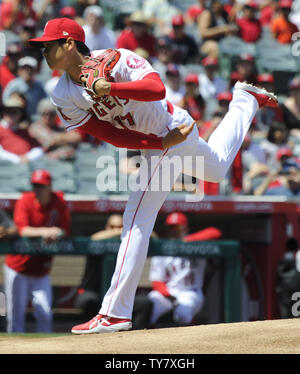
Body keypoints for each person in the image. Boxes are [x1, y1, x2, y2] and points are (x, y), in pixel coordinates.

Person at [28, 17, 277, 334]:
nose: (43, 51)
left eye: (48, 45)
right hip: (162, 140)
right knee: (216, 166)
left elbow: (156, 88)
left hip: (171, 126)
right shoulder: (62, 92)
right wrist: (158, 144)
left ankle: (115, 312)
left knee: (135, 219)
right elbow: (113, 136)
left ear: (68, 43)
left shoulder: (118, 58)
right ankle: (244, 100)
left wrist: (112, 87)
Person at [3, 169, 70, 332]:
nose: (38, 190)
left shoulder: (58, 201)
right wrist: (46, 232)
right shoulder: (25, 199)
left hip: (41, 269)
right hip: (18, 266)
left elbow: (65, 229)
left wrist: (57, 234)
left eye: (41, 186)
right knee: (16, 315)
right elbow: (23, 230)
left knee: (45, 312)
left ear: (50, 186)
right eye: (35, 186)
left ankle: (45, 349)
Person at [147, 212, 222, 327]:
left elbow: (215, 232)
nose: (174, 230)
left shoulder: (196, 245)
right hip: (169, 293)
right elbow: (157, 282)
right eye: (171, 227)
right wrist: (170, 297)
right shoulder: (162, 249)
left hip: (191, 292)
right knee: (150, 303)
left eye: (177, 227)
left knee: (183, 313)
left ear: (185, 228)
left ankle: (190, 341)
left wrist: (187, 241)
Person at [0, 96, 44, 164]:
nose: (11, 115)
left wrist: (29, 157)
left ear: (21, 115)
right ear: (3, 113)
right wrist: (16, 159)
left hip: (26, 168)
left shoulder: (26, 131)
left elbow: (38, 149)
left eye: (14, 112)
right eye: (8, 111)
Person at [276, 237, 300, 318]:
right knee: (296, 313)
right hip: (296, 287)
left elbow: (279, 275)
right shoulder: (297, 257)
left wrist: (279, 289)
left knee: (285, 314)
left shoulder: (284, 259)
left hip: (284, 289)